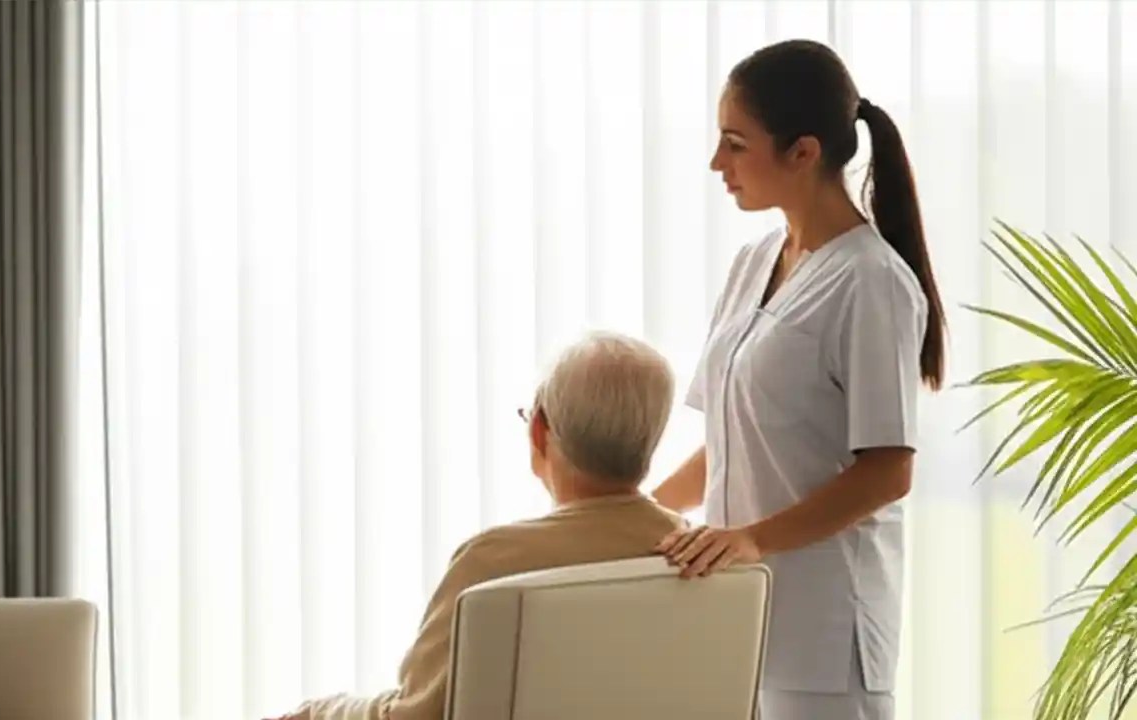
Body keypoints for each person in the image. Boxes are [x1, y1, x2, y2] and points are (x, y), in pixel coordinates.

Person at [651, 39, 945, 720]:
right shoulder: (755, 262)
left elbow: (887, 470)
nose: (716, 163)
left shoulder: (872, 283)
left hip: (825, 639)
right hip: (741, 620)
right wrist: (639, 515)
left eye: (735, 144)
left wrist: (752, 537)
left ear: (804, 152)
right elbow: (732, 440)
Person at [271, 331, 686, 720]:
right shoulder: (699, 556)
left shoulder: (494, 560)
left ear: (540, 432)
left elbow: (414, 715)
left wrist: (316, 712)